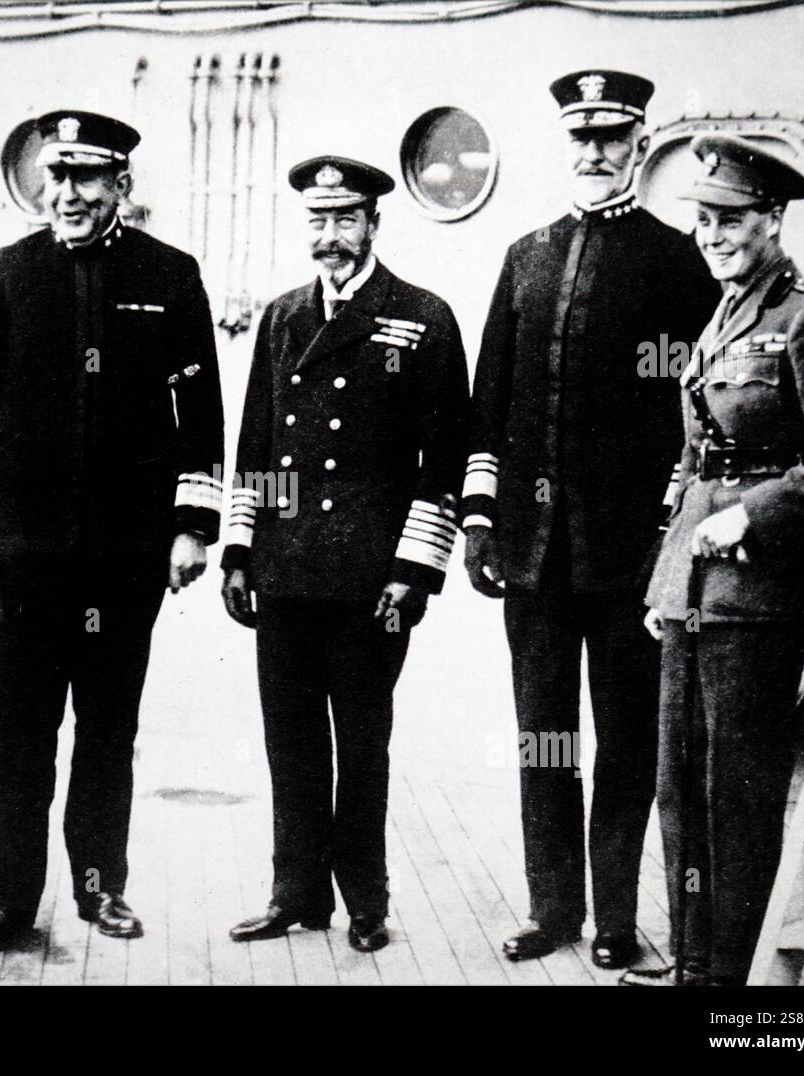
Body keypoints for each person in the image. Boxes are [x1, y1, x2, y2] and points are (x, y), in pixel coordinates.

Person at [0, 111, 225, 954]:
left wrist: (191, 527)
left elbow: (199, 409)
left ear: (120, 187)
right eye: (55, 178)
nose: (66, 194)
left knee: (108, 735)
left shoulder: (171, 275)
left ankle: (101, 890)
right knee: (20, 741)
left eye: (86, 179)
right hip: (24, 559)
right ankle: (9, 904)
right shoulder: (5, 274)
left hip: (125, 557)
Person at [462, 70, 721, 968]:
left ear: (640, 145)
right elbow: (488, 401)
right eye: (582, 138)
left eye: (612, 137)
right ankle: (552, 910)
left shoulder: (677, 261)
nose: (596, 153)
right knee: (545, 736)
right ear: (564, 145)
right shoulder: (525, 255)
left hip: (629, 557)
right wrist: (481, 520)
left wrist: (671, 536)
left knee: (625, 742)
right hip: (533, 560)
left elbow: (700, 410)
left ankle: (614, 918)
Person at [622, 135, 804, 986]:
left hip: (763, 598)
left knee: (736, 798)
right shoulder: (724, 318)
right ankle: (694, 962)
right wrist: (669, 578)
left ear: (773, 220)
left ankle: (730, 979)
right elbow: (696, 463)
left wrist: (753, 518)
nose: (713, 234)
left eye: (731, 219)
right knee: (680, 789)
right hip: (697, 591)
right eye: (703, 219)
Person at [223, 156, 467, 953]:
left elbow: (444, 461)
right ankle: (294, 893)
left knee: (362, 744)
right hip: (286, 571)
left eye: (345, 220)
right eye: (318, 222)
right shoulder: (282, 316)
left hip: (370, 581)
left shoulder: (422, 318)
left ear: (373, 224)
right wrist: (237, 549)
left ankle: (365, 900)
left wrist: (412, 572)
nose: (330, 237)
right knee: (289, 741)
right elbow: (255, 438)